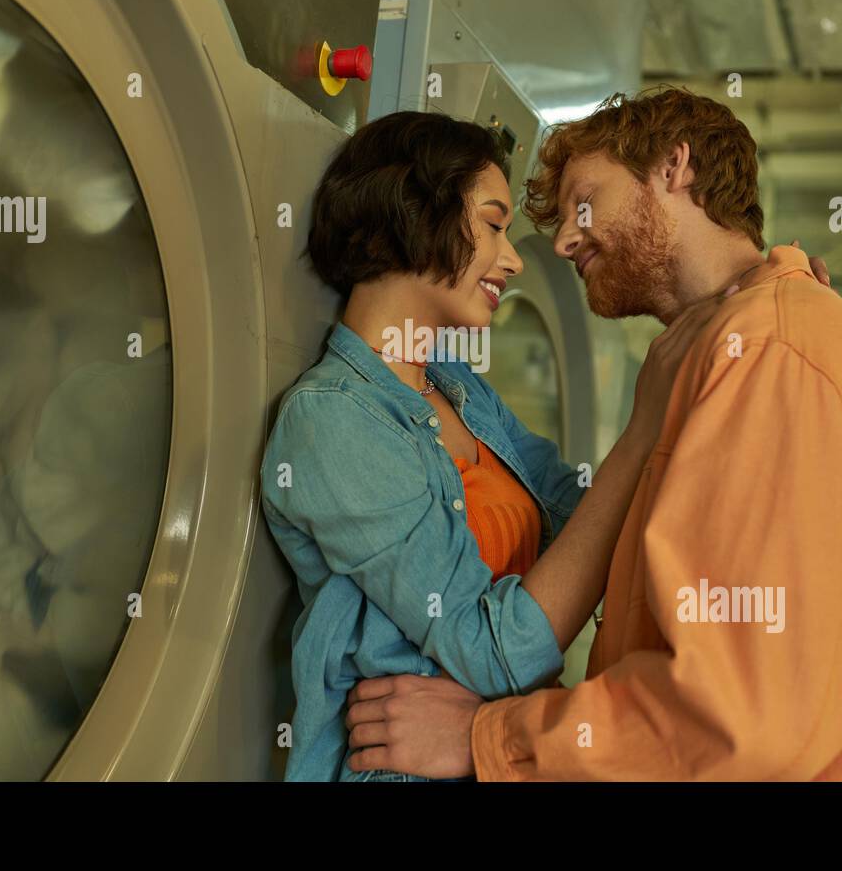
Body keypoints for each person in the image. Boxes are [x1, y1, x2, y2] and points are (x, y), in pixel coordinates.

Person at [344, 87, 842, 781]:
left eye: (584, 202)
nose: (560, 241)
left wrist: (485, 738)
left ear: (674, 168)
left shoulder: (770, 355)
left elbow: (732, 717)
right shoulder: (754, 347)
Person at [260, 109, 734, 781]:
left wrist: (734, 329)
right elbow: (491, 651)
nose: (512, 258)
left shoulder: (457, 391)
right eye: (491, 224)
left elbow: (589, 520)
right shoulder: (330, 422)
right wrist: (642, 429)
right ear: (412, 211)